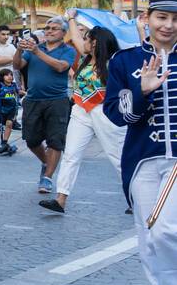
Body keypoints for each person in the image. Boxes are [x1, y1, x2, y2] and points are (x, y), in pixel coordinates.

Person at [104, 0, 177, 285]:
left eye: (176, 18)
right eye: (162, 16)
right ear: (146, 18)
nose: (169, 25)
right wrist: (141, 91)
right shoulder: (124, 60)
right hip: (142, 160)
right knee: (149, 235)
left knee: (167, 230)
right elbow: (118, 116)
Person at [40, 18, 125, 215]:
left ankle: (135, 195)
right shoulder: (86, 60)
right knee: (71, 154)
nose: (82, 43)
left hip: (104, 112)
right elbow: (77, 38)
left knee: (118, 156)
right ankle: (60, 199)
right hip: (80, 110)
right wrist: (71, 18)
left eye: (87, 39)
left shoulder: (113, 63)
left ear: (95, 43)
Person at [13, 16, 75, 194]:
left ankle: (47, 177)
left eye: (54, 28)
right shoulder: (34, 49)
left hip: (57, 100)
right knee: (31, 140)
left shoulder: (67, 50)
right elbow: (17, 65)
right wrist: (19, 50)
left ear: (63, 33)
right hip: (33, 99)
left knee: (55, 141)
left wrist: (37, 52)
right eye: (47, 28)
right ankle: (47, 163)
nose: (49, 31)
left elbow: (61, 67)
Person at [0, 69, 22, 156]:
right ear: (2, 77)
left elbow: (19, 92)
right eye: (7, 75)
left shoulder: (14, 85)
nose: (10, 77)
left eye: (11, 75)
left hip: (12, 110)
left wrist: (26, 93)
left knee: (9, 124)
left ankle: (5, 142)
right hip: (1, 110)